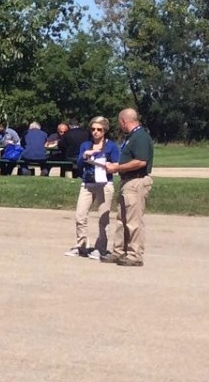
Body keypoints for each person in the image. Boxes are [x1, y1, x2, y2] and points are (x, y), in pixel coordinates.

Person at [103, 107, 155, 267]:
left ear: (124, 121)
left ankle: (135, 255)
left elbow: (140, 161)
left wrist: (117, 168)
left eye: (120, 123)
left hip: (136, 182)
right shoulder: (132, 137)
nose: (120, 126)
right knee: (121, 219)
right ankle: (118, 251)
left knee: (133, 221)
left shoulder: (140, 137)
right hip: (127, 181)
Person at [66, 117, 121, 259]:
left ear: (105, 131)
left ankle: (101, 248)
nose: (95, 132)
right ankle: (82, 246)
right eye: (93, 129)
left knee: (103, 217)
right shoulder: (85, 145)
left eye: (99, 130)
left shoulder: (111, 146)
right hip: (88, 183)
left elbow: (116, 166)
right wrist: (85, 155)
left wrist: (107, 165)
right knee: (80, 215)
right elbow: (79, 165)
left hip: (104, 184)